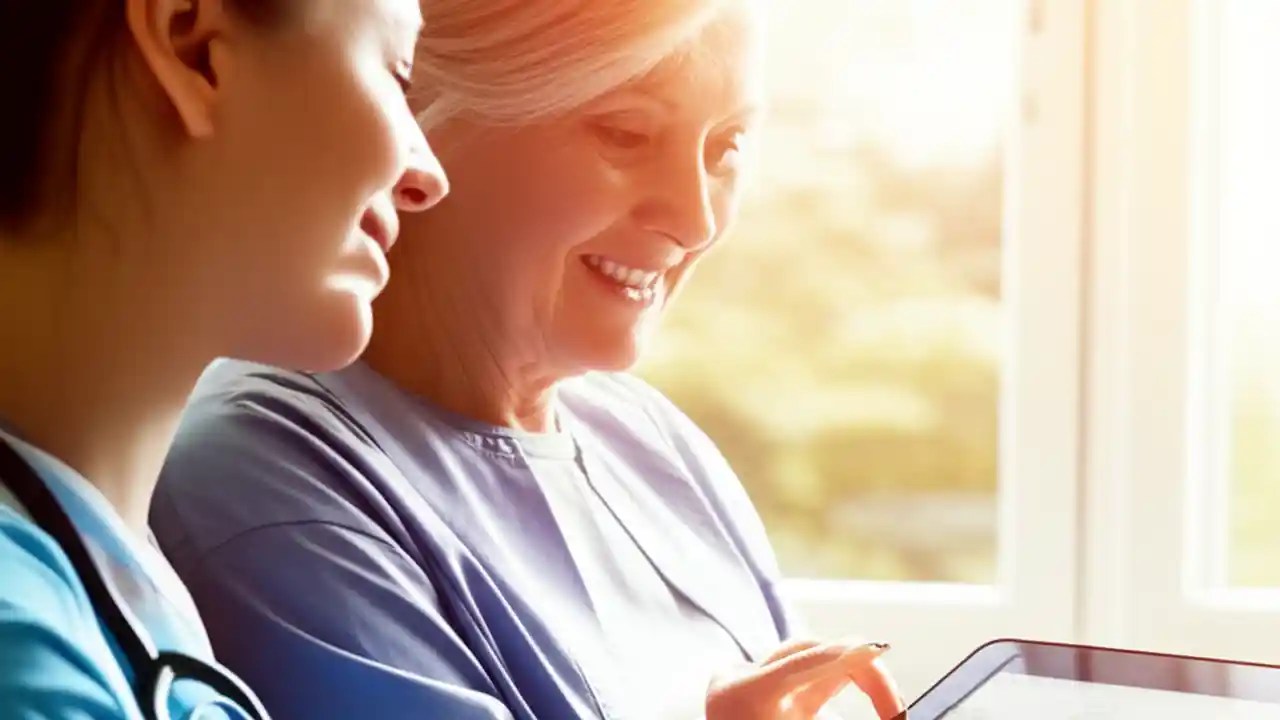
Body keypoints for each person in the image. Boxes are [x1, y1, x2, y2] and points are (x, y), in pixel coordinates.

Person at [153, 0, 906, 718]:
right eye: (624, 133)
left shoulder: (652, 441)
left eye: (726, 147)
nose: (694, 219)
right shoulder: (261, 486)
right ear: (421, 124)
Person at [0, 0, 447, 717]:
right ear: (193, 47)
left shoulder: (98, 578)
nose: (429, 177)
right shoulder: (27, 650)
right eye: (398, 73)